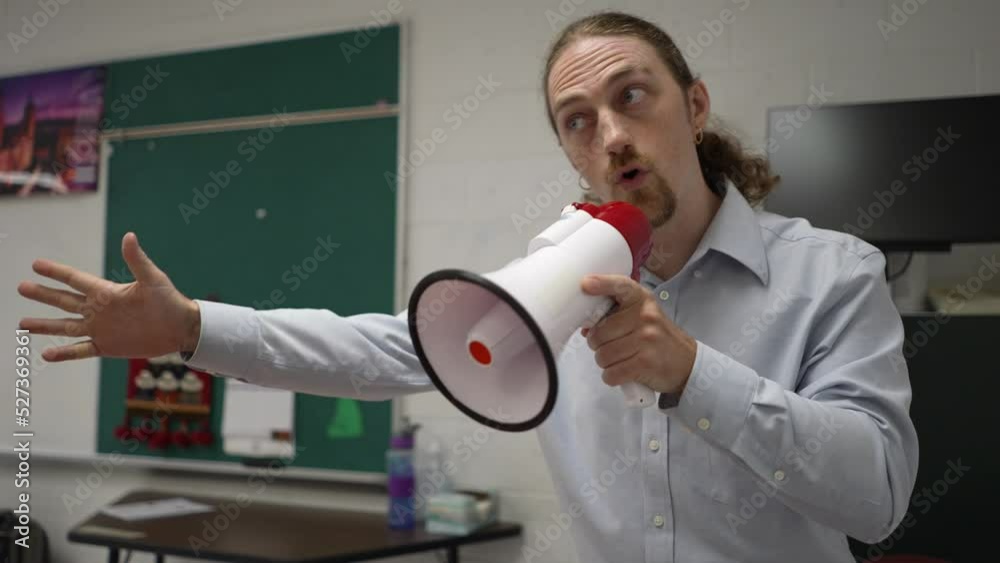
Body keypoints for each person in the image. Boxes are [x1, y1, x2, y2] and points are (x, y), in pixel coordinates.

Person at [17, 12, 917, 562]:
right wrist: (192, 327)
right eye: (578, 119)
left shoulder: (831, 273)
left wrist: (692, 373)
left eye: (632, 96)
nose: (610, 134)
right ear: (567, 148)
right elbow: (387, 346)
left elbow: (877, 493)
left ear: (693, 102)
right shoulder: (559, 267)